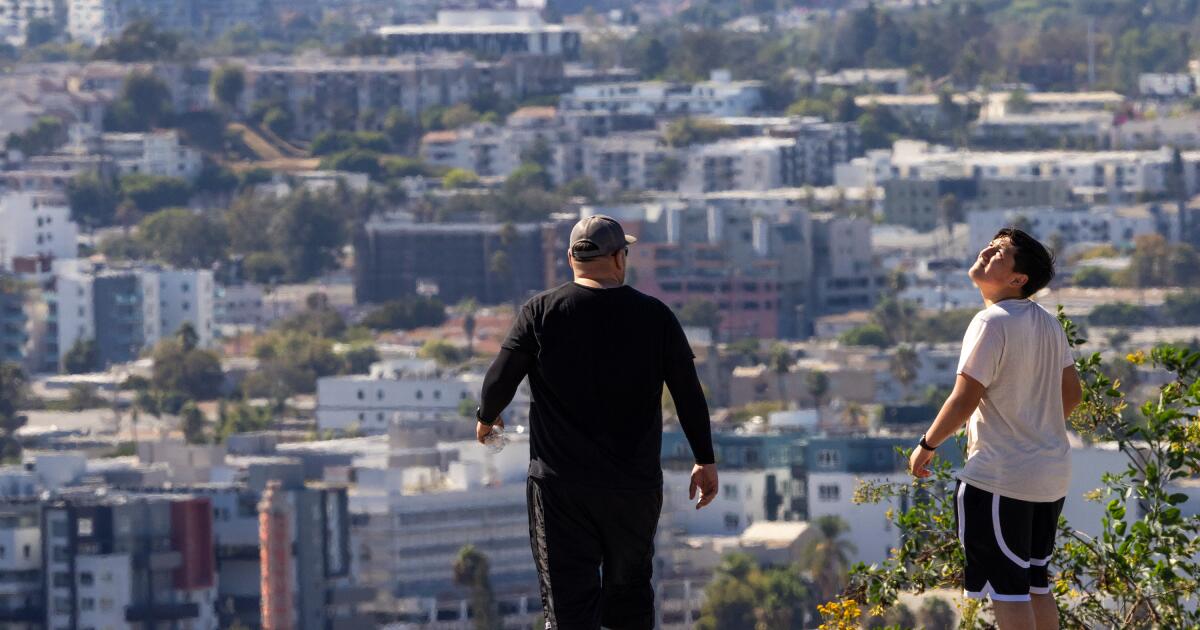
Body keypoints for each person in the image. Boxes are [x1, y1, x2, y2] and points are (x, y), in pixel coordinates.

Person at [476, 214, 718, 630]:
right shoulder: (656, 317)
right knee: (630, 599)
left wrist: (486, 417)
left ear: (571, 258)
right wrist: (704, 458)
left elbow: (500, 378)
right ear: (620, 259)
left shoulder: (540, 312)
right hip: (632, 488)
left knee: (568, 608)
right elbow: (687, 394)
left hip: (560, 488)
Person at [909, 228, 1083, 630]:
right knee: (1035, 581)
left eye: (1000, 252)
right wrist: (1033, 425)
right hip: (1049, 475)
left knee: (1008, 590)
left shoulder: (991, 322)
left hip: (1000, 479)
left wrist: (927, 444)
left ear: (1018, 279)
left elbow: (963, 399)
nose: (986, 250)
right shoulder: (1047, 324)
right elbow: (1071, 394)